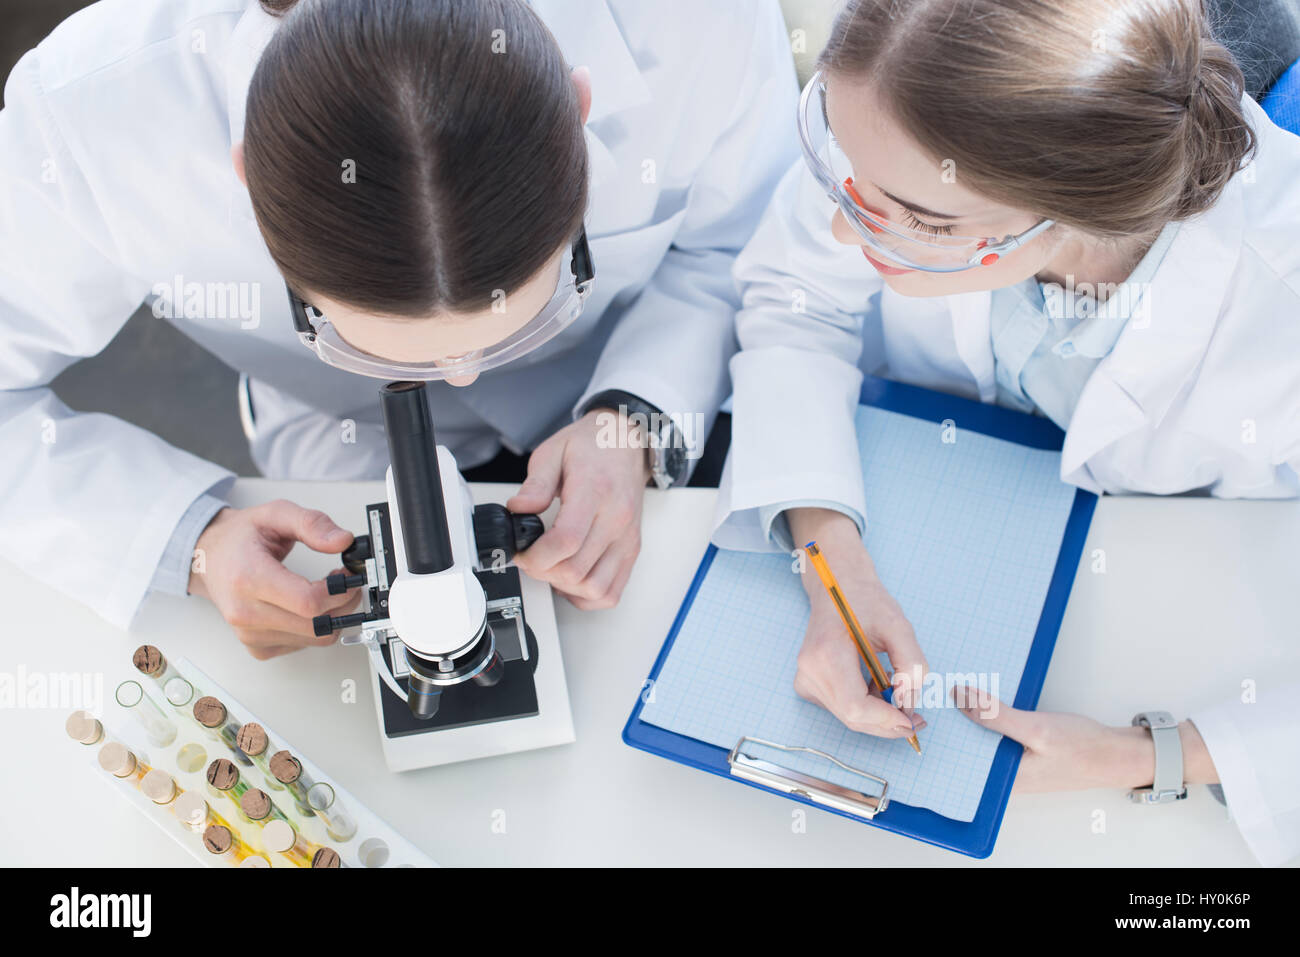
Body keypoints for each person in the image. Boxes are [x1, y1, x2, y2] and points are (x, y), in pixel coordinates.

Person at [0, 0, 798, 656]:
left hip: (618, 365)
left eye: (513, 320)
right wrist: (188, 539)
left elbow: (737, 241)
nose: (461, 374)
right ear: (247, 179)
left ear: (579, 109)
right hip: (334, 435)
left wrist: (635, 417)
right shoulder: (94, 114)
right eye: (363, 335)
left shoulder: (703, 22)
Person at [717, 0, 1300, 865]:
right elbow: (794, 303)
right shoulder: (895, 131)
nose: (846, 223)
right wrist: (832, 560)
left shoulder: (1278, 286)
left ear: (1073, 208)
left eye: (920, 220)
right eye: (840, 165)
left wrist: (1149, 755)